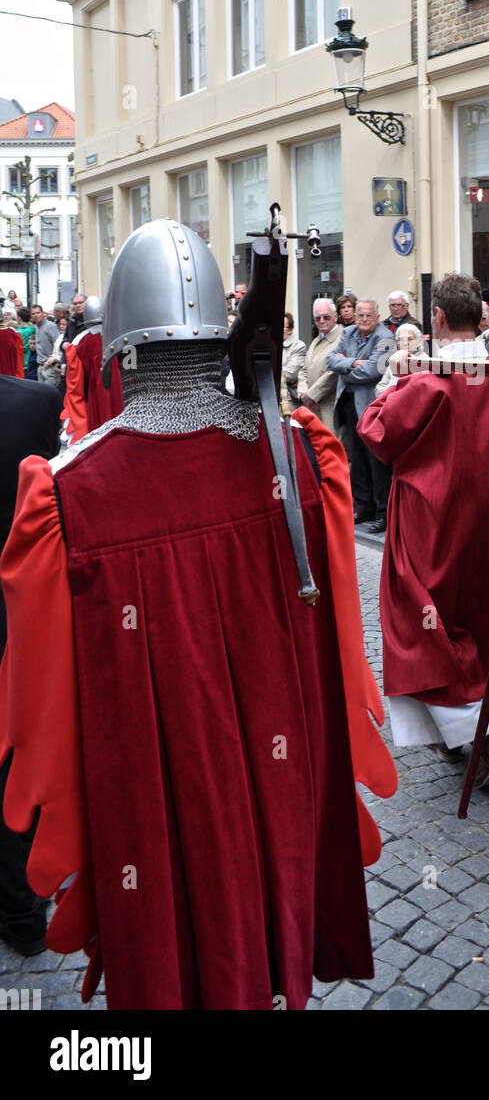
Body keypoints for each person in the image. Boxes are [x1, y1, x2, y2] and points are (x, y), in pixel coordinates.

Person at [0, 218, 395, 1009]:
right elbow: (328, 637)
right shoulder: (295, 455)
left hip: (154, 778)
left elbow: (42, 703)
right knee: (261, 873)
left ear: (119, 344)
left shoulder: (68, 495)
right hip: (272, 754)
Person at [358, 273, 489, 787]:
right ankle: (455, 736)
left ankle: (484, 728)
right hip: (487, 516)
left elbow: (377, 432)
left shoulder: (430, 377)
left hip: (430, 516)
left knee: (420, 621)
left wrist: (392, 380)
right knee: (473, 615)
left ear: (440, 319)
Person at [0, 373, 61, 956]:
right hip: (15, 611)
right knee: (16, 759)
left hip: (17, 612)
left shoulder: (36, 400)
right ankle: (21, 913)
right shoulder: (36, 402)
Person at [328, 300, 395, 533]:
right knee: (357, 458)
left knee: (376, 460)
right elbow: (330, 360)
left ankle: (382, 512)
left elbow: (373, 370)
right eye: (360, 315)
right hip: (348, 403)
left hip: (370, 407)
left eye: (368, 316)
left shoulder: (385, 337)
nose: (364, 320)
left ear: (377, 317)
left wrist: (344, 367)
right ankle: (362, 506)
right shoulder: (348, 332)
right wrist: (353, 363)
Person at [60, 296, 123, 446]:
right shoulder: (123, 336)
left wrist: (78, 420)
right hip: (124, 401)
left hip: (95, 404)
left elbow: (75, 389)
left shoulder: (79, 343)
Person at [297, 298, 341, 432]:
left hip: (330, 407)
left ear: (335, 316)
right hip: (311, 407)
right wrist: (303, 392)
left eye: (326, 317)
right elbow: (304, 370)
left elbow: (334, 372)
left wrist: (312, 395)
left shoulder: (343, 338)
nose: (322, 321)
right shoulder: (316, 340)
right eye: (317, 318)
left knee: (332, 449)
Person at [280, 311, 307, 418]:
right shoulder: (269, 345)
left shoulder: (298, 346)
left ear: (290, 330)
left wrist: (267, 372)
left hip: (288, 401)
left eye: (282, 326)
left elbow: (290, 374)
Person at [31, 304, 60, 384]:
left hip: (50, 366)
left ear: (43, 313)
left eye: (38, 313)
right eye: (33, 314)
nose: (36, 315)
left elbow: (57, 346)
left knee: (50, 394)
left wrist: (51, 361)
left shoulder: (50, 326)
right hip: (40, 366)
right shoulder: (37, 327)